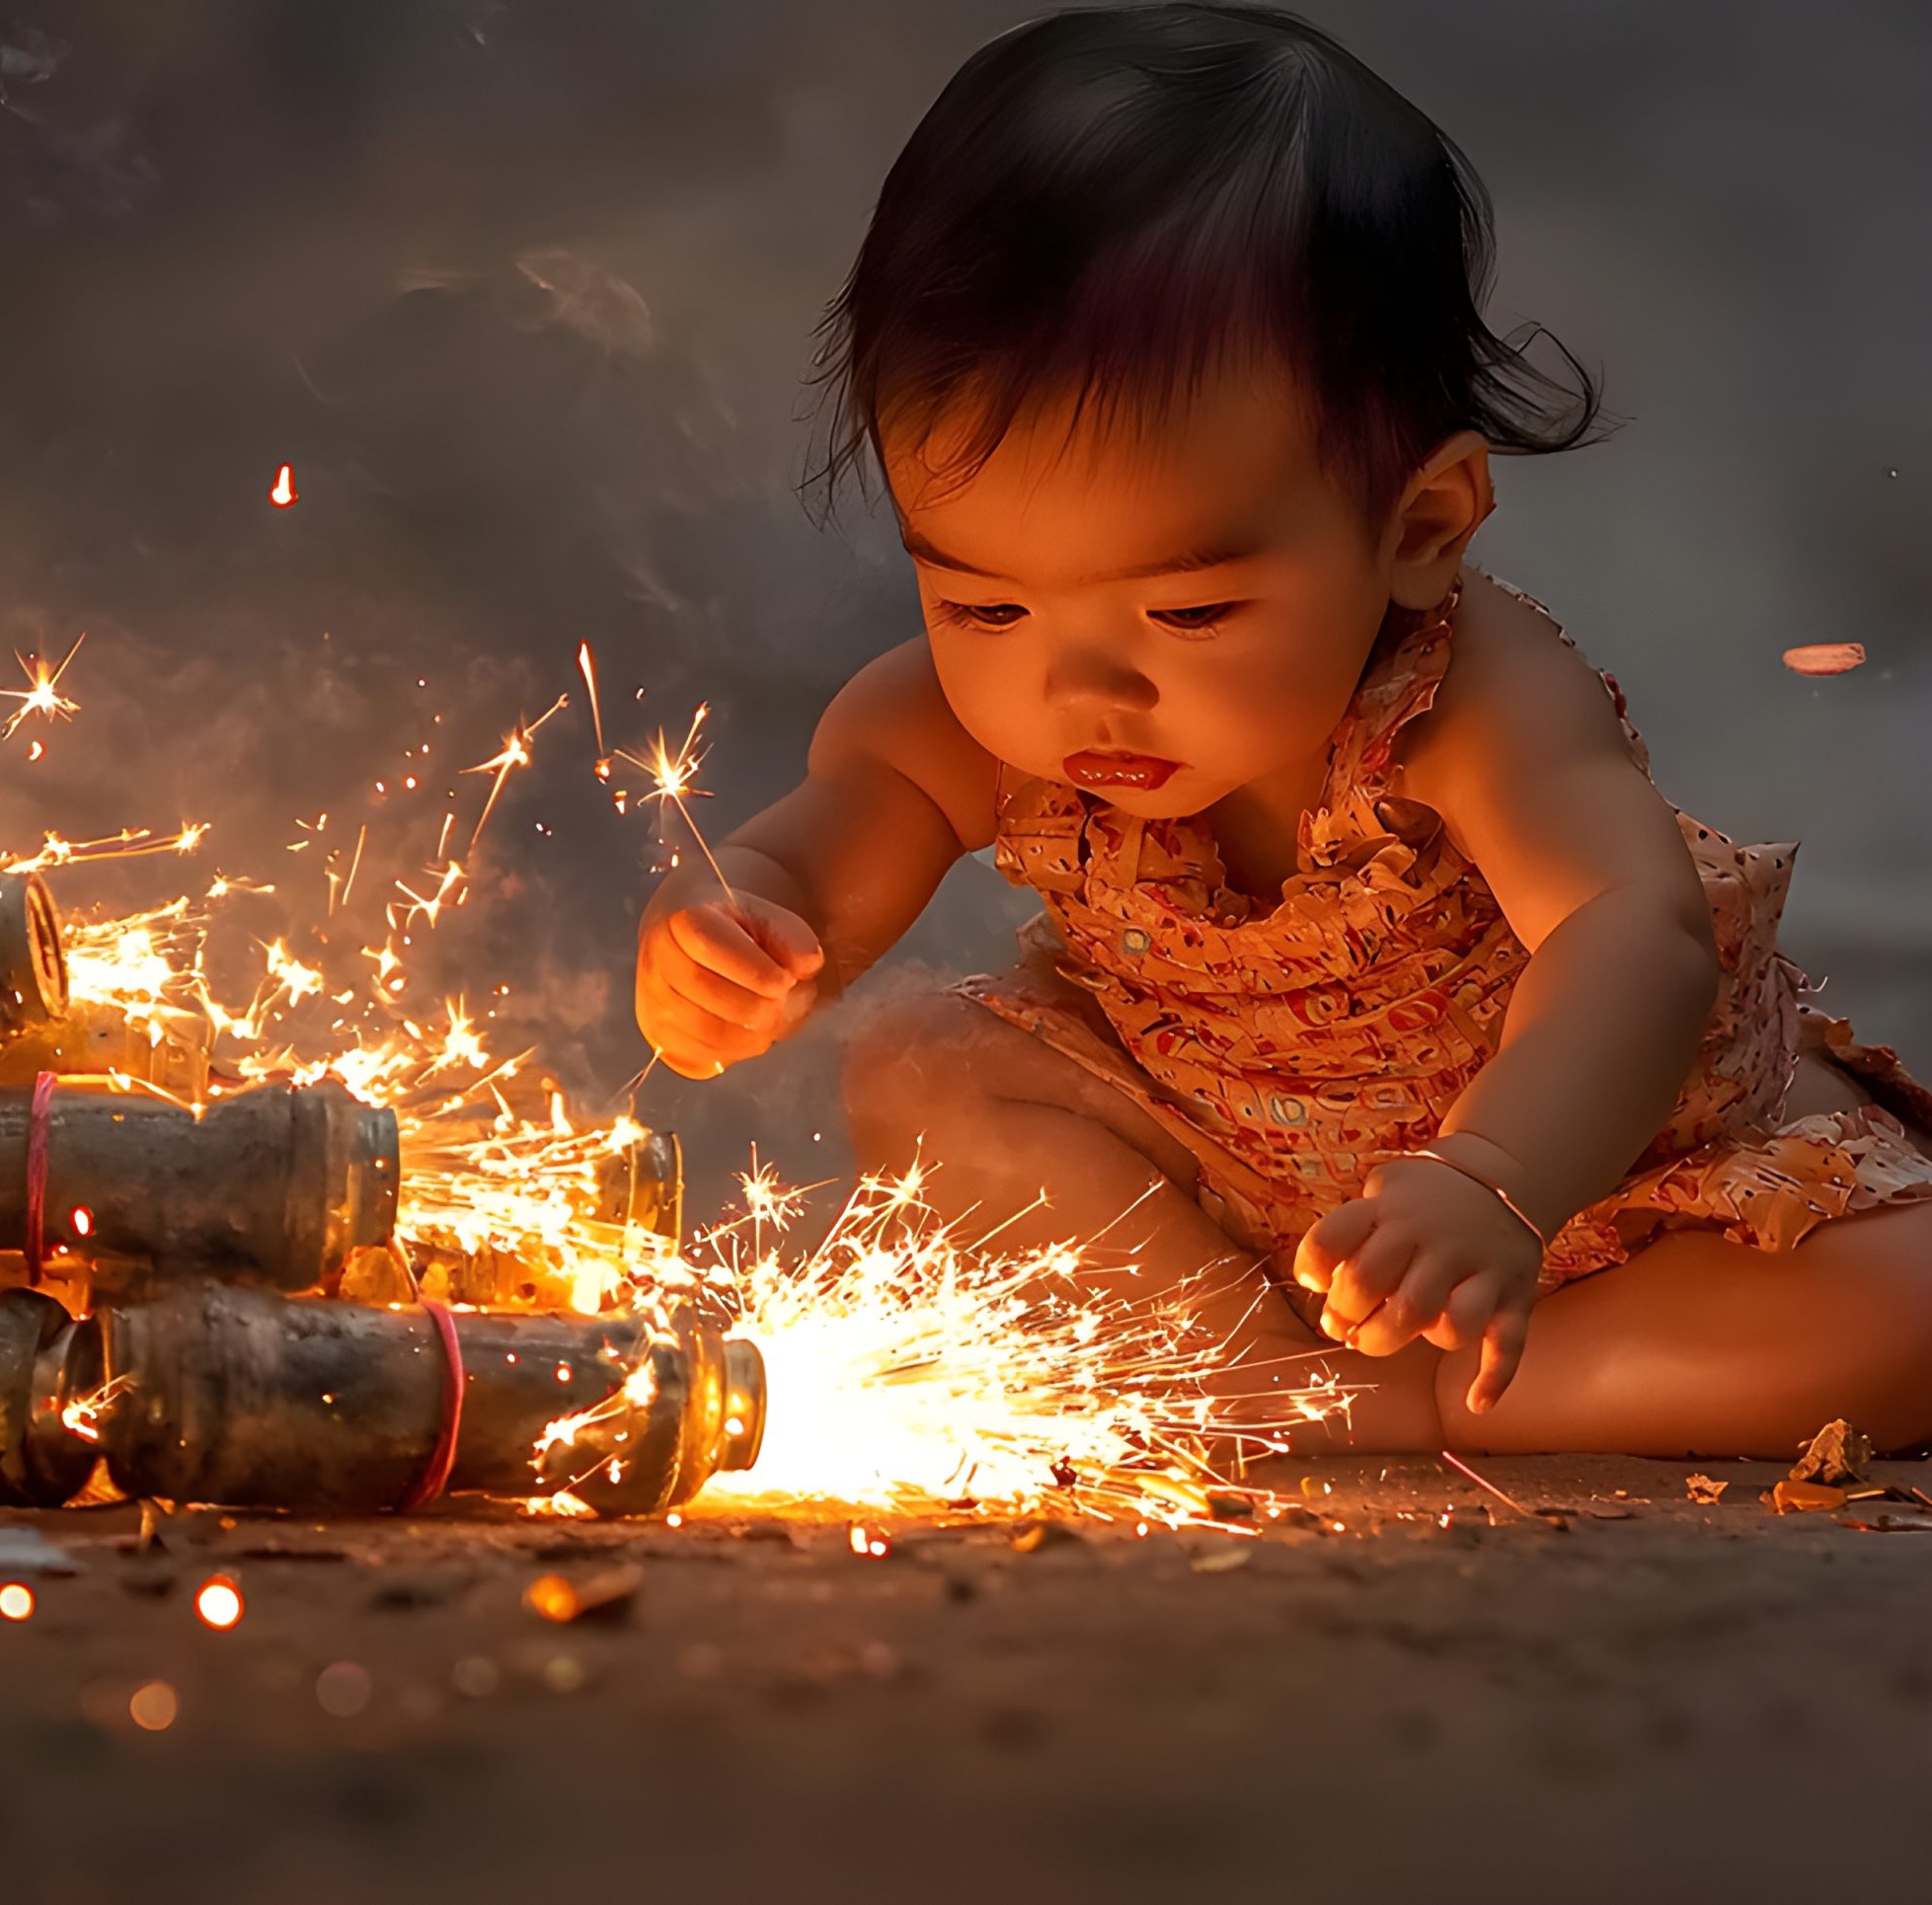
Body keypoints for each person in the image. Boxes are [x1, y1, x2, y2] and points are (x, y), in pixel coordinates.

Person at [632, 3, 1932, 1457]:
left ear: (1419, 526)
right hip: (1243, 1198)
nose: (1080, 692)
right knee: (916, 1064)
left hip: (1606, 1199)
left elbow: (1633, 936)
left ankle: (1477, 1396)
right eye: (985, 604)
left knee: (1906, 1303)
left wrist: (1497, 1178)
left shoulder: (1468, 704)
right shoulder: (977, 716)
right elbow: (842, 822)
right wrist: (742, 919)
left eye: (1185, 614)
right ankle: (1266, 1378)